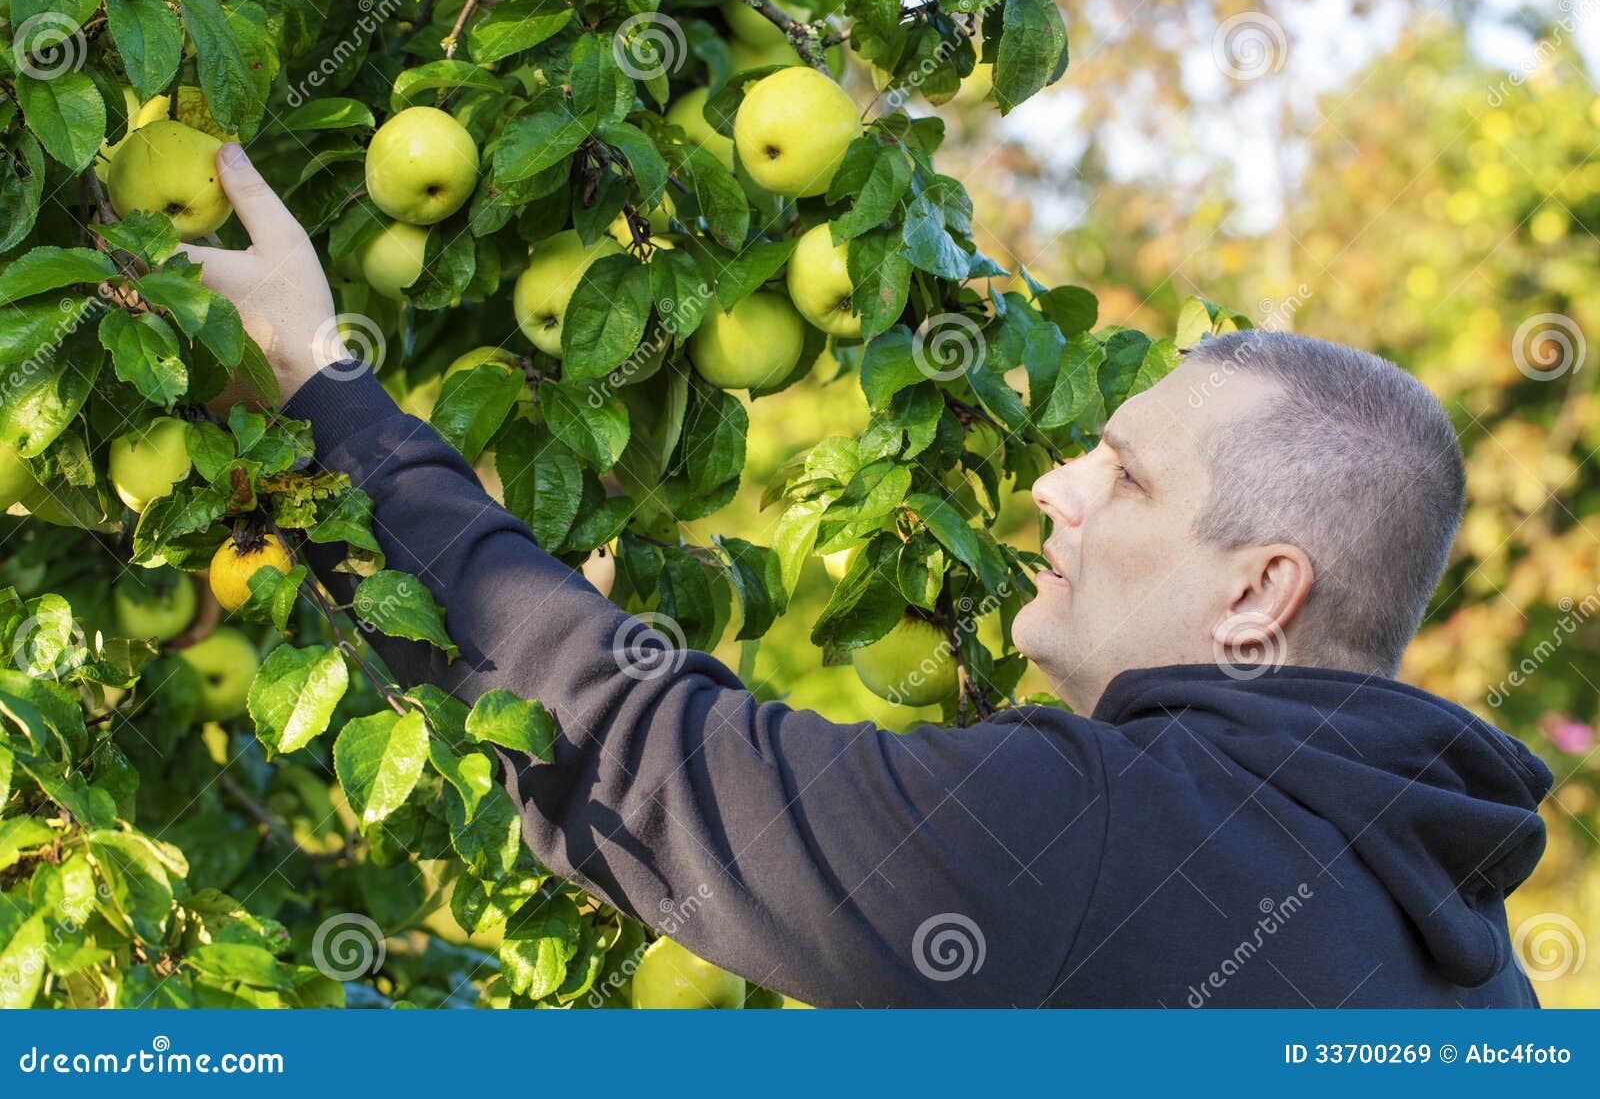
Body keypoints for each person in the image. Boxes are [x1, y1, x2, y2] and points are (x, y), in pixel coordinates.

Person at [180, 144, 1551, 1008]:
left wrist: (322, 386)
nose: (1052, 488)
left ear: (1261, 592)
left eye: (1125, 477)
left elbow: (647, 757)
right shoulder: (1469, 955)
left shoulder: (1124, 840)